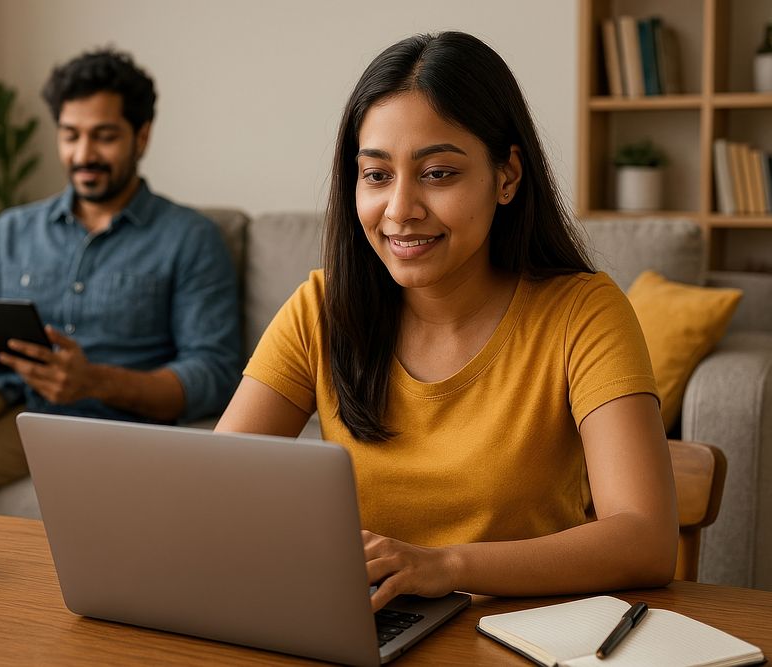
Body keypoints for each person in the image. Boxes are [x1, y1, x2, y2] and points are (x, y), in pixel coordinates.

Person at [216, 32, 678, 611]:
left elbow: (647, 539)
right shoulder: (322, 309)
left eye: (437, 173)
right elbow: (217, 494)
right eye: (377, 175)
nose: (400, 209)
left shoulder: (582, 312)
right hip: (366, 629)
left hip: (521, 632)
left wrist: (445, 565)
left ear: (506, 176)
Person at [0, 48, 240, 507]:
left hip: (102, 423)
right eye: (70, 135)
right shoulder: (10, 231)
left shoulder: (190, 238)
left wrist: (94, 381)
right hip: (5, 397)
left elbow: (213, 374)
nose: (83, 154)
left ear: (141, 136)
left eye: (104, 137)